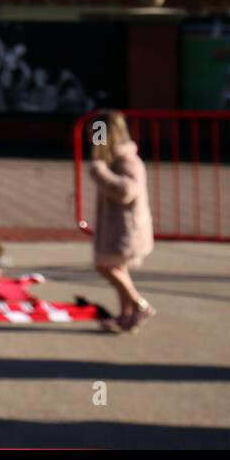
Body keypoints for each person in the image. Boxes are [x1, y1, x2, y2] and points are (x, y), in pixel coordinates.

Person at [89, 110, 155, 332]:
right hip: (119, 227)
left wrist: (100, 172)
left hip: (126, 229)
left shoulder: (126, 161)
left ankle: (138, 304)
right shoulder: (115, 160)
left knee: (105, 266)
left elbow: (127, 191)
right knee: (117, 267)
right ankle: (125, 314)